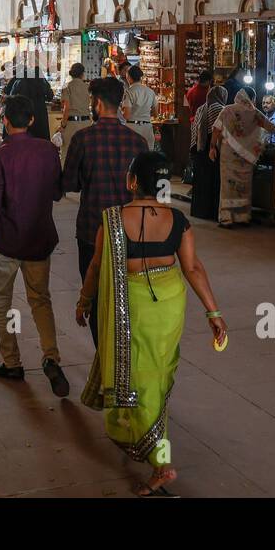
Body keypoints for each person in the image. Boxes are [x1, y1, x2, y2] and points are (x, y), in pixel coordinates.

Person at [77, 151, 227, 497]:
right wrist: (213, 313)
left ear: (132, 181)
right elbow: (193, 268)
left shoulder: (112, 219)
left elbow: (97, 267)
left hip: (132, 305)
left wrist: (84, 302)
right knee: (154, 379)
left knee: (139, 384)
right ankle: (145, 442)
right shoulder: (178, 219)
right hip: (169, 304)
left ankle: (162, 463)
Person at [0, 95, 69, 396]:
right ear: (31, 120)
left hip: (5, 243)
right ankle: (51, 356)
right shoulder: (48, 151)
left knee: (1, 302)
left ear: (4, 121)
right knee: (41, 300)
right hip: (39, 240)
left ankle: (12, 362)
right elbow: (56, 193)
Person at [62, 77, 148, 346]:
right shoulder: (138, 143)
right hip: (131, 231)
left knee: (96, 299)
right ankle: (124, 355)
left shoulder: (83, 139)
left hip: (92, 229)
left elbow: (69, 184)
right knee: (127, 296)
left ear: (97, 103)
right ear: (120, 102)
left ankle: (105, 360)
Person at [210, 86, 275, 227]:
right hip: (246, 157)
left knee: (228, 187)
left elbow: (216, 129)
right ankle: (242, 217)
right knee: (243, 186)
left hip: (228, 154)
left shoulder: (228, 110)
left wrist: (212, 147)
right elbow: (271, 127)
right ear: (251, 98)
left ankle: (227, 218)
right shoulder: (255, 113)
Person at [188, 80, 227, 221]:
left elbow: (195, 130)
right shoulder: (220, 109)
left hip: (200, 149)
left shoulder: (201, 108)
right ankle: (211, 212)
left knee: (201, 182)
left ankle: (199, 211)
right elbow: (218, 130)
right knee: (212, 182)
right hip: (212, 149)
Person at [6, 60, 53, 140]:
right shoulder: (41, 80)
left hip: (24, 114)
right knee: (40, 141)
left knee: (23, 140)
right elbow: (50, 96)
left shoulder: (19, 79)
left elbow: (9, 94)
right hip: (40, 115)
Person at [57, 62, 92, 165]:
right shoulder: (88, 88)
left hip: (71, 125)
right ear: (82, 74)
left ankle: (65, 178)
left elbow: (66, 108)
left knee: (67, 153)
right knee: (84, 154)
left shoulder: (67, 88)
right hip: (86, 123)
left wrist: (63, 125)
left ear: (71, 73)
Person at [120, 63, 158, 149]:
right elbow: (156, 113)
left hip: (133, 129)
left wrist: (120, 113)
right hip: (147, 128)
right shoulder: (150, 91)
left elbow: (127, 115)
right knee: (147, 158)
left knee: (134, 158)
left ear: (128, 77)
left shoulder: (129, 92)